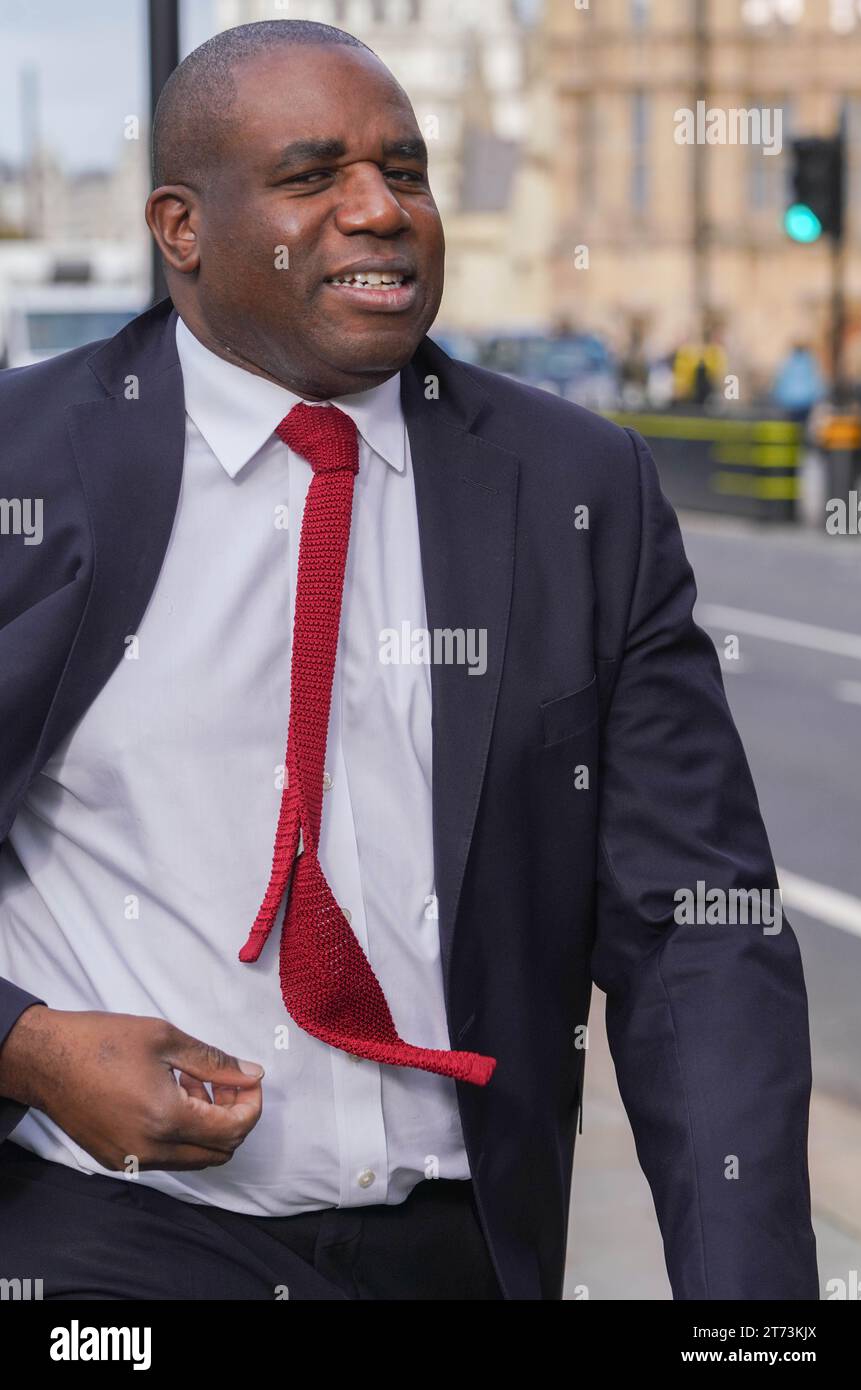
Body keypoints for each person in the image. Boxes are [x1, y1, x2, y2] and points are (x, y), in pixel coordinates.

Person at [0, 20, 817, 1301]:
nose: (379, 210)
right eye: (314, 175)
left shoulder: (579, 490)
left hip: (464, 1250)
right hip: (100, 1239)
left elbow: (692, 937)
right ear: (181, 227)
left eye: (406, 171)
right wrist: (26, 1047)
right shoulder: (23, 468)